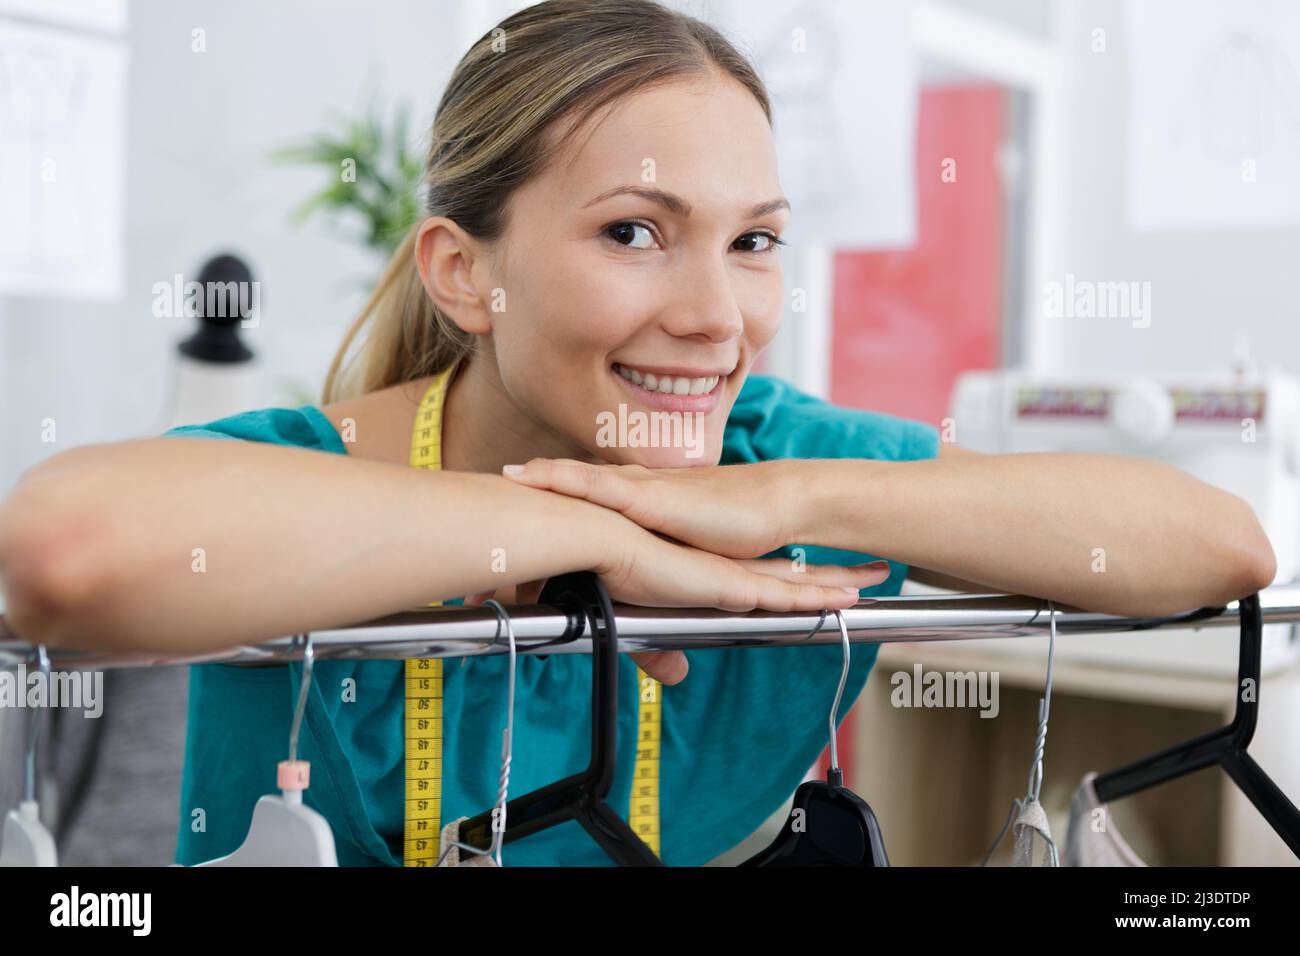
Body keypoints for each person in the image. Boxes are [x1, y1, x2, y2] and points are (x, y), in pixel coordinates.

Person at [0, 0, 1275, 867]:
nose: (716, 314)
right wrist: (588, 526)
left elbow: (1211, 546)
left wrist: (786, 505)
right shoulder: (309, 468)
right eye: (632, 231)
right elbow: (58, 556)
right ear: (462, 273)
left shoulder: (777, 468)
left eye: (754, 241)